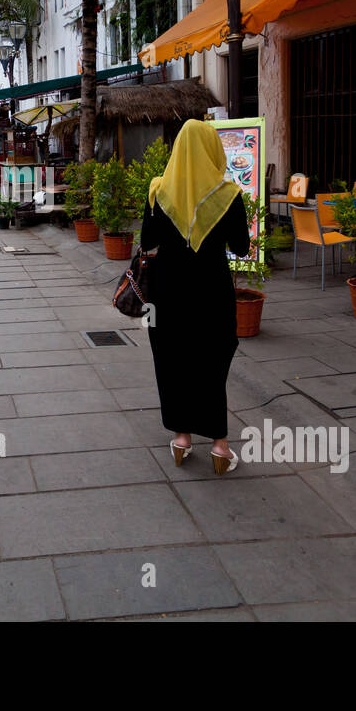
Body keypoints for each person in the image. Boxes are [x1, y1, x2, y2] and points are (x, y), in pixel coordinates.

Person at [140, 120, 249, 475]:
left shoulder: (158, 190)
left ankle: (182, 438)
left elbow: (147, 242)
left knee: (172, 361)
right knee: (211, 363)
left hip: (166, 292)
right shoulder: (228, 194)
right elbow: (241, 247)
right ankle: (219, 444)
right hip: (211, 291)